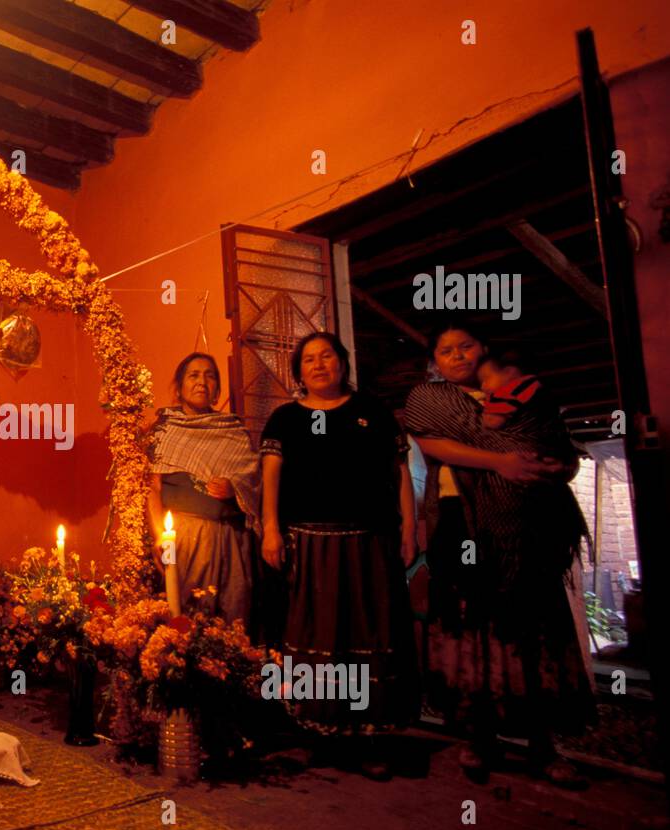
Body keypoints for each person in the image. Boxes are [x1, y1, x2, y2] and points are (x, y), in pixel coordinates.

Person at [405, 318, 593, 788]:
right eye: (446, 351)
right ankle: (478, 737)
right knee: (474, 627)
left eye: (465, 346)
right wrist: (503, 461)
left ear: (483, 348)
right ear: (435, 363)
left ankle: (544, 745)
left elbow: (557, 448)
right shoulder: (430, 400)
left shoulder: (524, 394)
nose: (458, 356)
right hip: (463, 526)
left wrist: (558, 464)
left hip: (529, 531)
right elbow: (433, 444)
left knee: (534, 628)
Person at [259, 332, 419, 780]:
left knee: (367, 633)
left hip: (369, 541)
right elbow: (271, 478)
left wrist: (409, 525)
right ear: (298, 371)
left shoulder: (373, 413)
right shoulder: (285, 419)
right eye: (308, 359)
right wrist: (270, 529)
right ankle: (314, 735)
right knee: (316, 637)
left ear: (343, 362)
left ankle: (371, 735)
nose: (318, 364)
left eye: (326, 355)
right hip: (308, 542)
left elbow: (399, 471)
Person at [147, 352, 259, 622]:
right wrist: (160, 538)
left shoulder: (233, 431)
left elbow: (254, 480)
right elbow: (153, 488)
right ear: (179, 387)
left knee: (233, 618)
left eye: (210, 376)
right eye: (193, 375)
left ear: (217, 389)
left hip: (230, 540)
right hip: (184, 538)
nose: (202, 382)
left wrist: (235, 488)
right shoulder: (163, 430)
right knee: (186, 616)